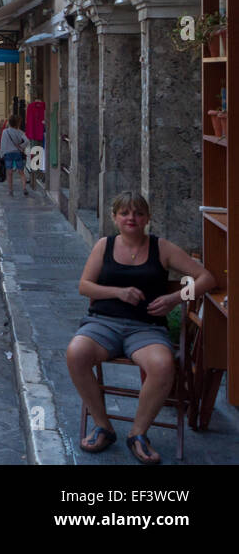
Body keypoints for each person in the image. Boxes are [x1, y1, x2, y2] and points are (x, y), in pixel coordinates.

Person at [65, 192, 215, 464]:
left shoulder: (162, 248)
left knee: (162, 364)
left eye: (137, 213)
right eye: (124, 213)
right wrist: (118, 292)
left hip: (146, 329)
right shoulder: (104, 246)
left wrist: (174, 299)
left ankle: (138, 433)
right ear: (114, 217)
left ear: (147, 218)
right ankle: (103, 426)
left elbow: (206, 278)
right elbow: (84, 286)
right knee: (76, 354)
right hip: (103, 323)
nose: (131, 218)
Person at [0, 114, 30, 196]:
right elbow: (27, 141)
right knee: (21, 172)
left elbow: (3, 144)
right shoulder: (20, 132)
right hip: (17, 153)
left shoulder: (5, 132)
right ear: (18, 123)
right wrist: (21, 147)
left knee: (9, 173)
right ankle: (24, 188)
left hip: (8, 153)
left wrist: (2, 154)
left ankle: (10, 190)